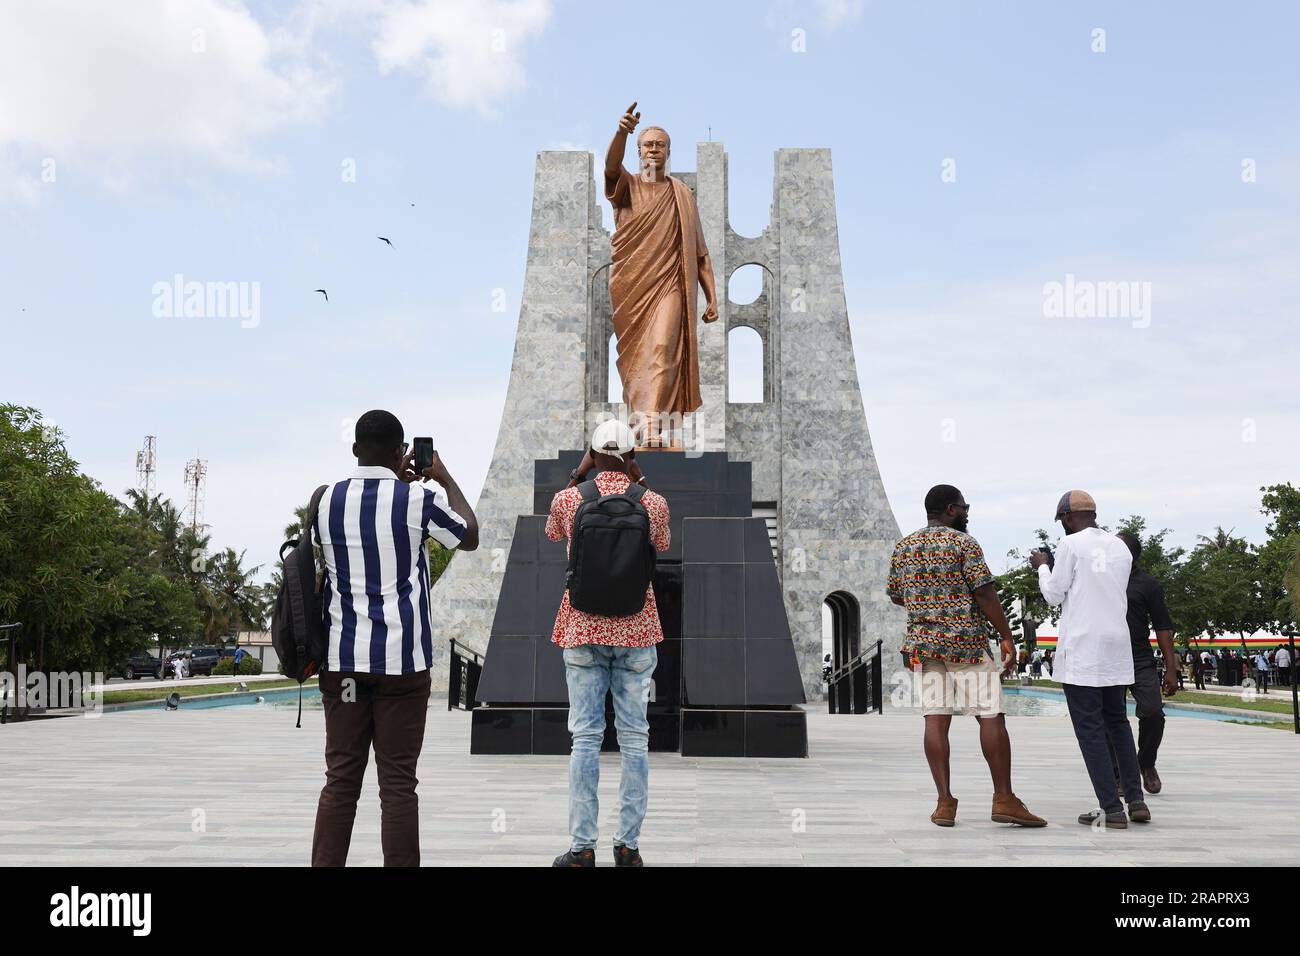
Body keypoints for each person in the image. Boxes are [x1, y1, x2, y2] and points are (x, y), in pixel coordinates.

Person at [311, 409, 479, 867]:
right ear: (403, 451)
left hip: (343, 666)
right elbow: (469, 536)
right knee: (398, 784)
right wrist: (441, 478)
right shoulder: (416, 500)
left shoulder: (325, 501)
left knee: (341, 780)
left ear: (354, 449)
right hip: (402, 667)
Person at [887, 484, 1046, 829]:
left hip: (924, 646)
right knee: (990, 716)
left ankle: (944, 802)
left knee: (935, 718)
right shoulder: (964, 543)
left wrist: (926, 601)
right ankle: (1004, 798)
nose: (967, 511)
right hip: (966, 644)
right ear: (950, 509)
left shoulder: (904, 547)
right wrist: (1006, 635)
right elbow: (985, 592)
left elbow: (896, 595)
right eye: (964, 506)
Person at [549, 420, 671, 867]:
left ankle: (582, 848)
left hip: (582, 627)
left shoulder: (569, 499)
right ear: (632, 454)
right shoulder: (653, 502)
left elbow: (552, 534)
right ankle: (628, 846)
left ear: (593, 453)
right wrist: (639, 479)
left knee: (585, 738)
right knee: (635, 738)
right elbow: (662, 541)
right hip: (637, 627)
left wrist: (576, 477)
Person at [1031, 490, 1148, 829]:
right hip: (1116, 647)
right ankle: (1136, 800)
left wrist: (1043, 568)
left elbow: (1054, 594)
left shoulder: (1071, 545)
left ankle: (1112, 809)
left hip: (1084, 649)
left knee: (1090, 730)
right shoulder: (1120, 547)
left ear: (1068, 517)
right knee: (1118, 724)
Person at [1108, 533, 1178, 795]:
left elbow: (1162, 627)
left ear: (1134, 556)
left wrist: (1171, 669)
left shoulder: (1148, 584)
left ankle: (1146, 763)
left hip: (1140, 660)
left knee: (1153, 714)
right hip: (1108, 660)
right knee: (1111, 720)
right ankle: (1118, 777)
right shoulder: (1100, 581)